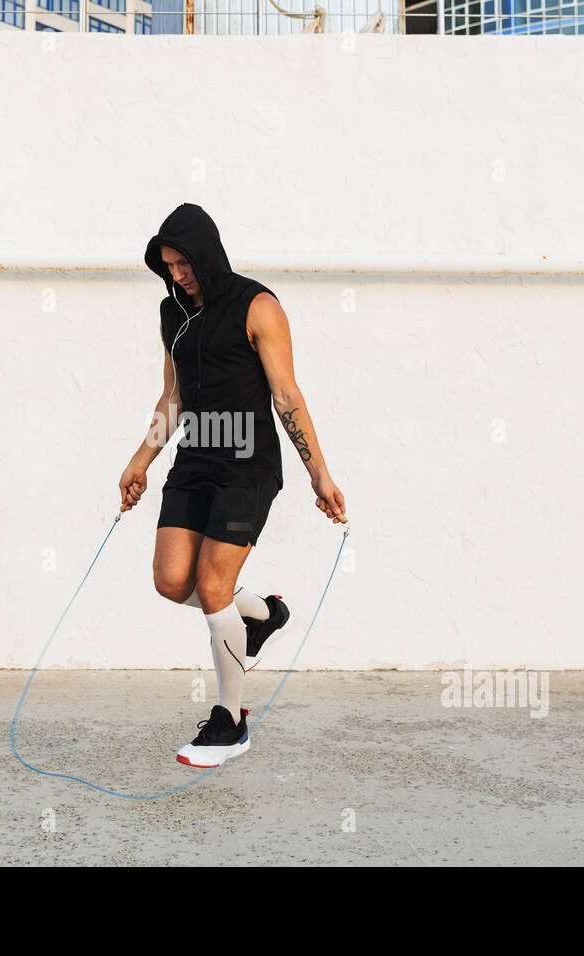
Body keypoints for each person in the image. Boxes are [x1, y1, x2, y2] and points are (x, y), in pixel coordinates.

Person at [119, 202, 346, 768]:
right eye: (168, 265)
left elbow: (286, 396)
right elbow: (173, 398)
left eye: (184, 263)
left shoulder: (258, 306)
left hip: (248, 465)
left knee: (214, 586)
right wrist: (140, 460)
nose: (178, 274)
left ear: (207, 253)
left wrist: (319, 472)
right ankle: (263, 616)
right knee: (173, 581)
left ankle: (230, 721)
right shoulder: (173, 313)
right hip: (196, 460)